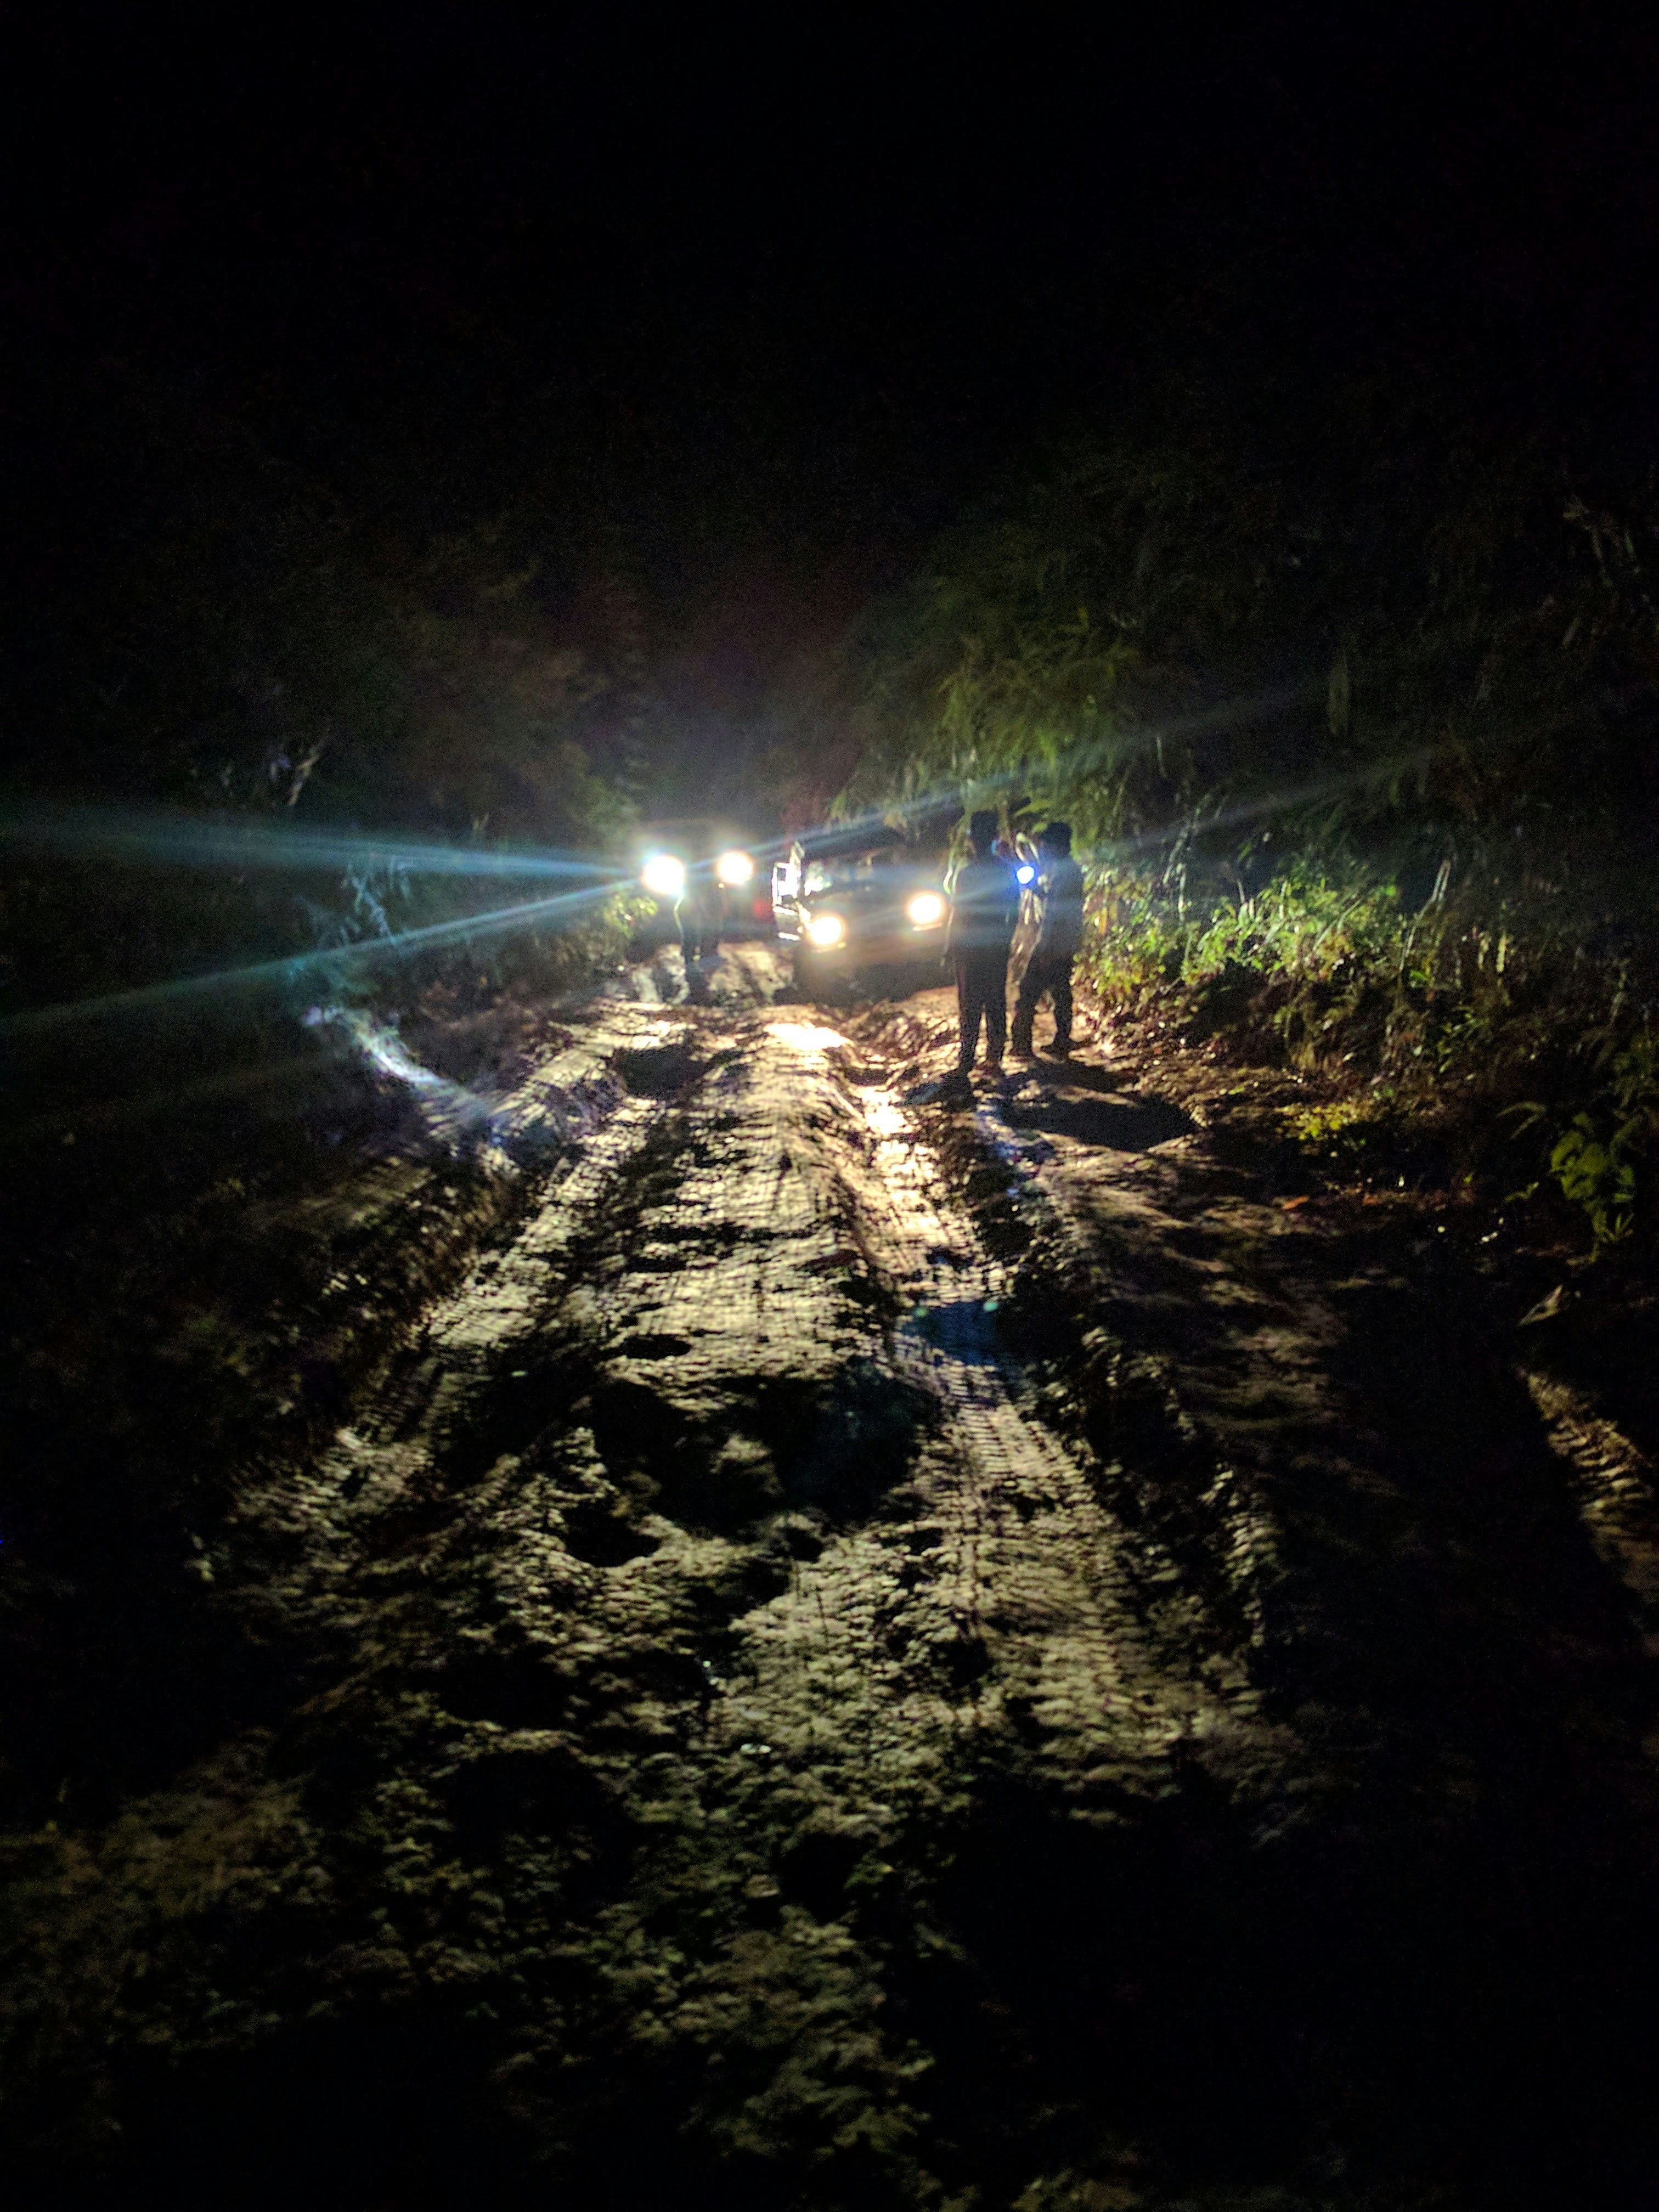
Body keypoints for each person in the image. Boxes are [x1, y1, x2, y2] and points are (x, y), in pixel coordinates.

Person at [946, 810, 1020, 1078]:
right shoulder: (1005, 871)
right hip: (991, 944)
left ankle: (969, 1056)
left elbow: (958, 913)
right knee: (993, 999)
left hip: (971, 946)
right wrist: (1006, 939)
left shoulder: (967, 875)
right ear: (994, 838)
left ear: (974, 840)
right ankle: (993, 1055)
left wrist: (950, 944)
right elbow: (1015, 911)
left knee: (971, 1001)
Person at [1011, 821, 1085, 1057]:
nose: (1043, 848)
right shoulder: (1066, 870)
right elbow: (1054, 903)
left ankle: (1022, 1045)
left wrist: (1045, 949)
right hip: (1065, 942)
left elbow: (1056, 915)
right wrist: (1036, 889)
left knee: (1029, 991)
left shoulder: (1065, 872)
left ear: (1056, 845)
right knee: (1061, 991)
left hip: (1054, 943)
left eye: (1046, 844)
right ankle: (1062, 1040)